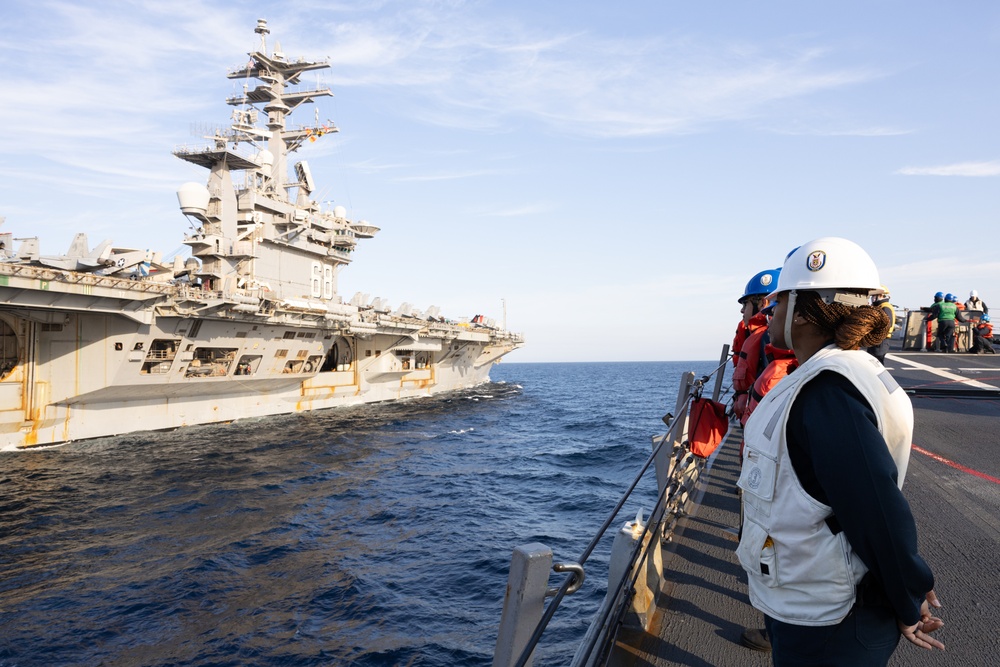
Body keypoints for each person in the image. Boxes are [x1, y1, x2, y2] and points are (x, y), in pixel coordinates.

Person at [737, 237, 944, 666]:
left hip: (828, 618)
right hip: (812, 599)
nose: (767, 313)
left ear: (803, 311)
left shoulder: (829, 392)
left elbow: (875, 508)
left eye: (777, 302)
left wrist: (907, 593)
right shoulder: (846, 371)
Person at [731, 269, 781, 418]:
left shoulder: (768, 338)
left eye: (745, 304)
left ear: (762, 303)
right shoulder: (762, 336)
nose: (742, 310)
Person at [866, 285, 895, 363]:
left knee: (876, 362)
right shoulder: (881, 306)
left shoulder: (885, 307)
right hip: (878, 340)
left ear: (881, 295)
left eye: (874, 296)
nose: (872, 299)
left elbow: (886, 325)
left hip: (881, 341)